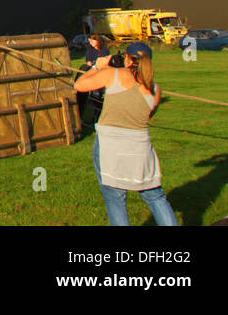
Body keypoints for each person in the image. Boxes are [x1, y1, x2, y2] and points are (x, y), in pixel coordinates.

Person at [74, 42, 178, 226]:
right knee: (156, 197)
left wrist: (98, 66)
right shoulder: (156, 89)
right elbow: (149, 113)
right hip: (141, 149)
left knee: (116, 201)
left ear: (128, 58)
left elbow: (79, 85)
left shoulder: (112, 75)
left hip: (110, 148)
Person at [76, 33, 109, 128]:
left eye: (92, 41)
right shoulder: (90, 50)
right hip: (93, 75)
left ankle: (100, 116)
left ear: (97, 40)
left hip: (103, 75)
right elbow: (89, 63)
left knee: (101, 98)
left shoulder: (105, 50)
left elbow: (106, 63)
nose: (90, 43)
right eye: (89, 41)